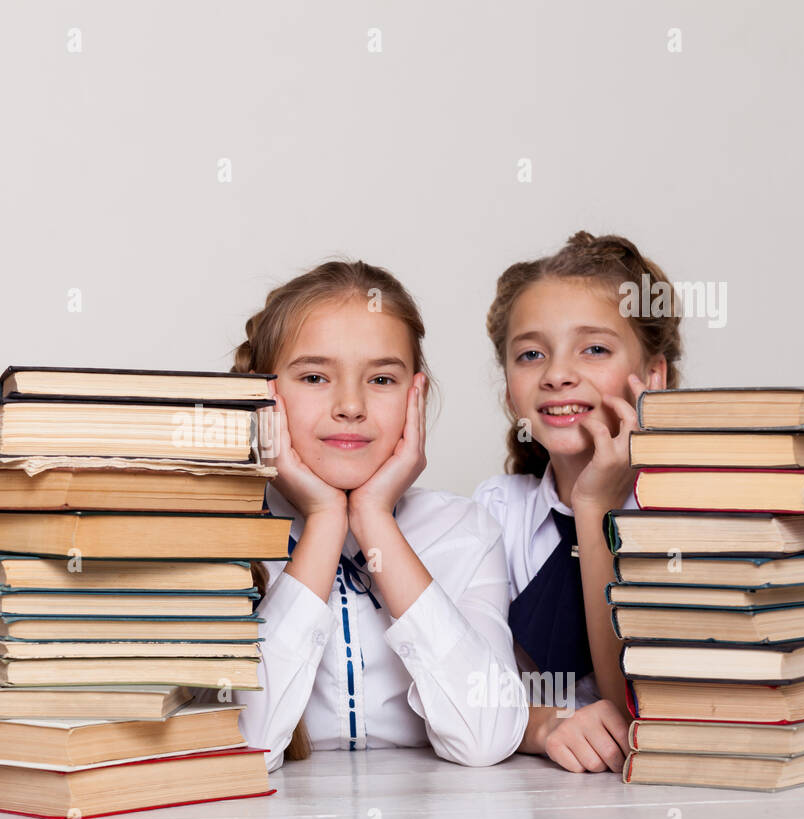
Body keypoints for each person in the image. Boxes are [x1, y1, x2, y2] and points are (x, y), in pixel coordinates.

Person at [227, 260, 527, 772]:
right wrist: (324, 520)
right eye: (315, 377)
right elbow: (243, 748)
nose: (350, 405)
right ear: (264, 396)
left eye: (382, 378)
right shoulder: (216, 538)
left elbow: (487, 736)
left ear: (418, 394)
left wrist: (372, 517)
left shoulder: (466, 531)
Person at [473, 231, 684, 773]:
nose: (557, 374)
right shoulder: (493, 514)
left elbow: (634, 712)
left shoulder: (691, 521)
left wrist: (596, 512)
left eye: (594, 348)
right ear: (508, 390)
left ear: (652, 377)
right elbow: (475, 690)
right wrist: (540, 725)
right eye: (530, 354)